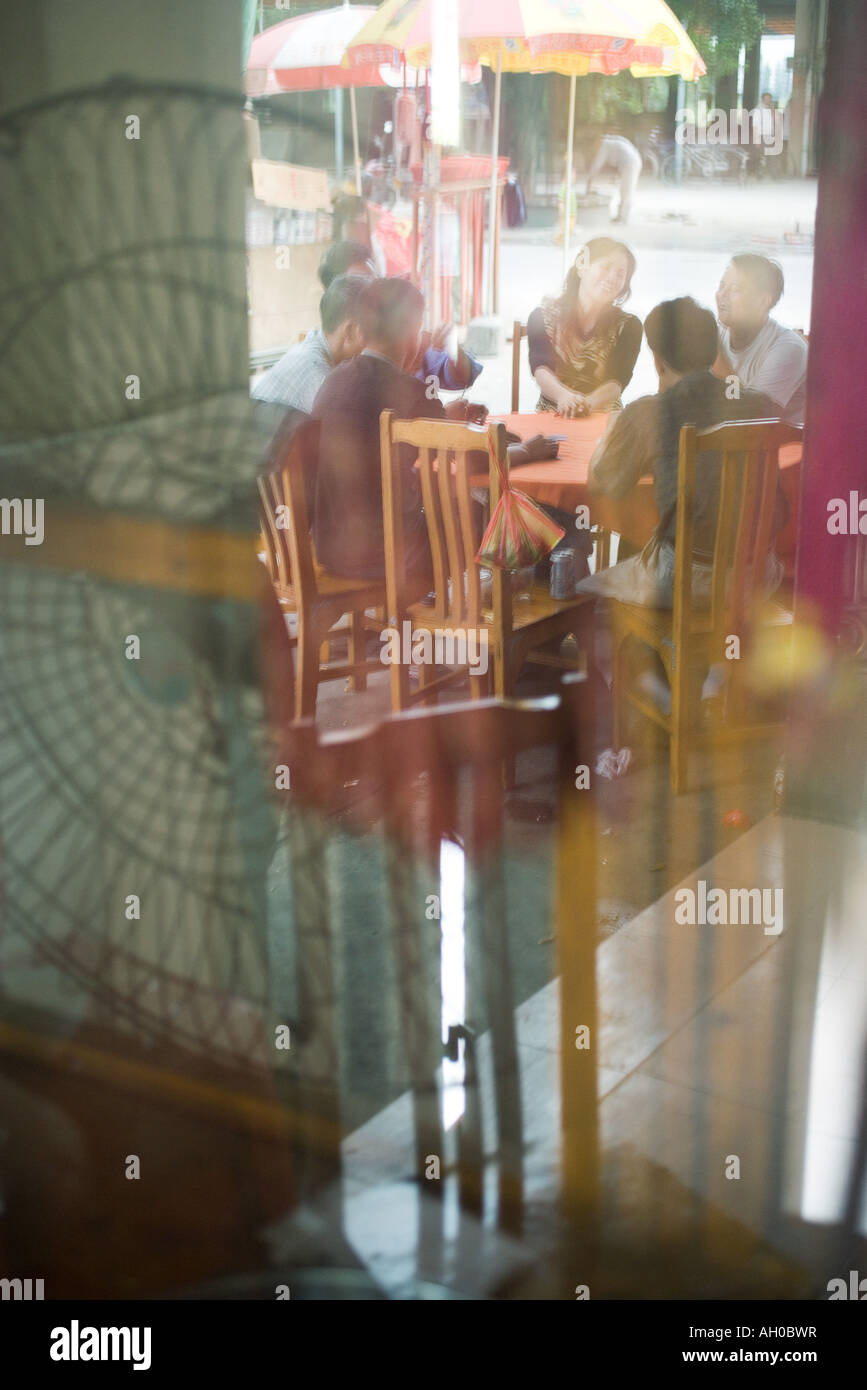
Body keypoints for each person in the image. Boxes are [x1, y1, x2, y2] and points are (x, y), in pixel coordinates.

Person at [312, 277, 557, 586]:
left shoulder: (333, 380)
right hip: (387, 556)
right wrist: (526, 451)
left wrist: (444, 420)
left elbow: (425, 434)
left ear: (360, 330)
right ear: (413, 333)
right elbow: (473, 460)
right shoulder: (409, 390)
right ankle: (502, 612)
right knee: (479, 513)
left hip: (330, 549)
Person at [578, 296, 784, 610]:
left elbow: (599, 483)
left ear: (658, 360)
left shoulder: (648, 412)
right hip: (759, 576)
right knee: (651, 546)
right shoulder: (761, 405)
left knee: (588, 588)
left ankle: (644, 650)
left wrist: (612, 427)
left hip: (683, 581)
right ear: (713, 353)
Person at [319, 240, 483, 395]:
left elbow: (464, 377)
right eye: (361, 283)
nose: (373, 291)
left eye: (374, 280)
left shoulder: (405, 339)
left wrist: (452, 346)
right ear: (334, 294)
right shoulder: (324, 362)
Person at [527, 238, 642, 417]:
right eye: (605, 267)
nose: (612, 277)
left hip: (603, 416)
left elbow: (617, 381)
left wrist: (585, 405)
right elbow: (541, 368)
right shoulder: (542, 316)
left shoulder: (629, 326)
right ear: (582, 267)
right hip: (553, 412)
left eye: (621, 274)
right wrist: (564, 397)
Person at [251, 274, 367, 414]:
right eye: (374, 329)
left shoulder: (313, 346)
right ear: (349, 331)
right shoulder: (320, 377)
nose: (377, 340)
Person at [714, 254, 808, 425]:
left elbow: (752, 419)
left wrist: (719, 361)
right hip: (731, 444)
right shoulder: (718, 334)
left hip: (776, 446)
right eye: (722, 285)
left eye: (735, 289)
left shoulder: (787, 349)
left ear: (763, 301)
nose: (722, 295)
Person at [585, 134, 643, 224]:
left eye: (594, 145)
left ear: (597, 141)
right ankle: (621, 217)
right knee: (625, 191)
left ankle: (622, 219)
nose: (595, 148)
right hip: (633, 161)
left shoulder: (605, 145)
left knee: (626, 192)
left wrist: (589, 180)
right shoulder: (613, 140)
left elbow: (597, 164)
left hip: (631, 164)